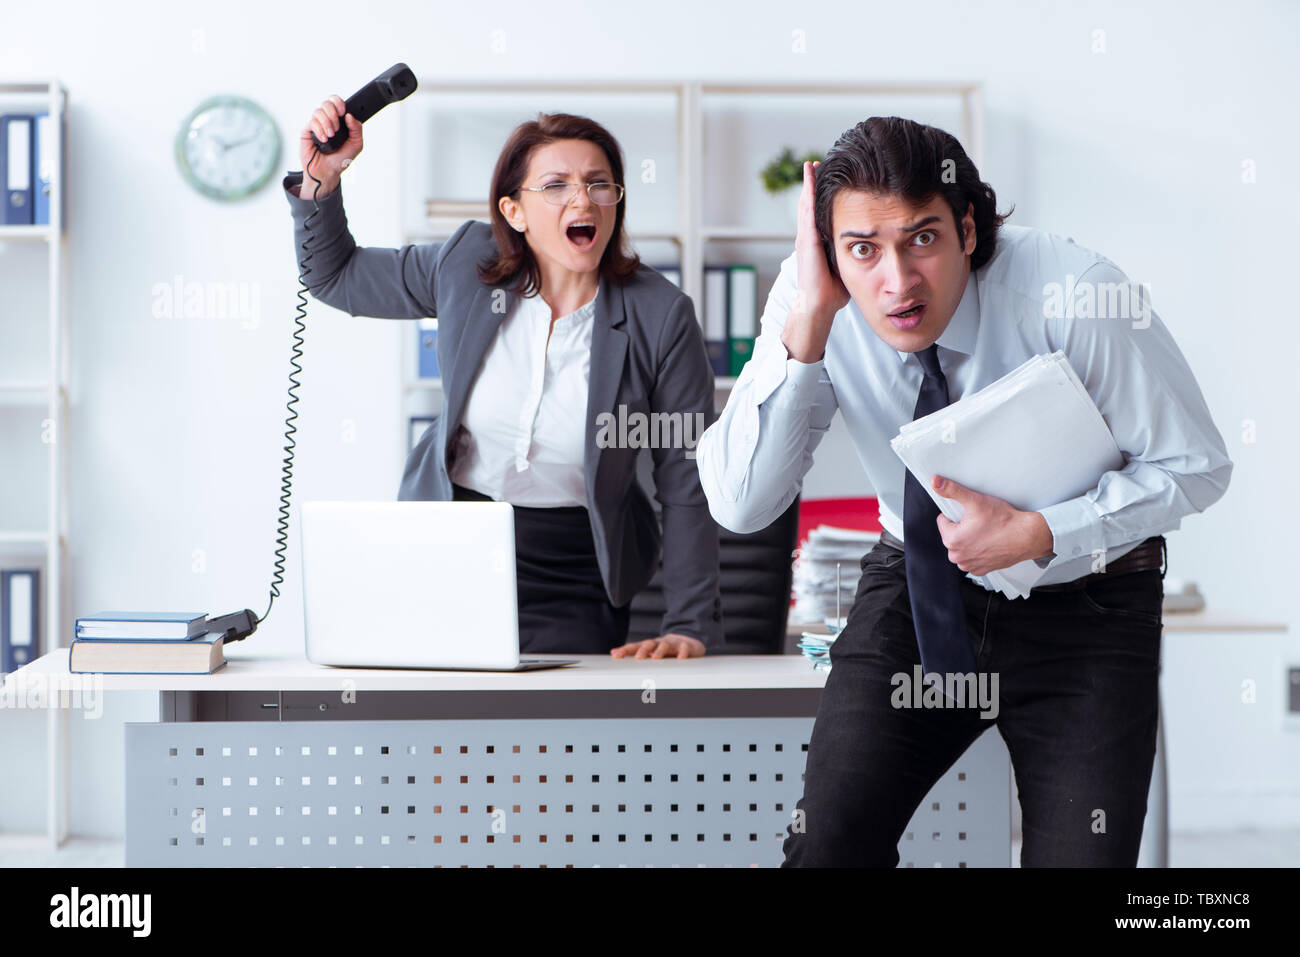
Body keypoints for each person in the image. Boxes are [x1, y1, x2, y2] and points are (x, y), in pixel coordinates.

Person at [695, 116, 1232, 866]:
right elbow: (740, 501)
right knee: (825, 847)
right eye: (862, 249)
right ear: (830, 252)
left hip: (1090, 605)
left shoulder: (1077, 295)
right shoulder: (814, 298)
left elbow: (1198, 463)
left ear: (968, 229)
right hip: (916, 591)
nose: (897, 281)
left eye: (922, 238)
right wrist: (810, 320)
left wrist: (1046, 529)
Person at [284, 97, 721, 658]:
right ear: (514, 211)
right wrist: (323, 178)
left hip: (575, 569)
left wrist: (688, 624)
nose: (583, 199)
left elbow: (686, 478)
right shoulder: (466, 265)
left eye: (599, 184)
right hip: (446, 544)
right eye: (557, 185)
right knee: (435, 733)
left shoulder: (661, 315)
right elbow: (336, 276)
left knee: (556, 737)